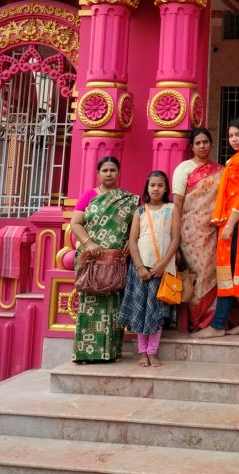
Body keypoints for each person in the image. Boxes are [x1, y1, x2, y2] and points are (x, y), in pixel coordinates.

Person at [196, 118, 239, 338]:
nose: (234, 139)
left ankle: (218, 325)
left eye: (238, 134)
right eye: (231, 136)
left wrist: (230, 226)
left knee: (229, 273)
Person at [70, 156, 138, 363]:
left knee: (112, 304)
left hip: (115, 259)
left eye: (113, 170)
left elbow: (137, 224)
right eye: (105, 170)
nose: (109, 174)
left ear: (118, 172)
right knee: (89, 301)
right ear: (98, 173)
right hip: (91, 259)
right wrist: (89, 243)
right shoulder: (88, 196)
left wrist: (130, 241)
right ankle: (85, 353)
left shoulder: (128, 199)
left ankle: (111, 352)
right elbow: (76, 224)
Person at [118, 170, 180, 367]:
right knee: (140, 310)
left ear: (166, 188)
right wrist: (139, 267)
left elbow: (175, 238)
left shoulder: (171, 209)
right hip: (141, 270)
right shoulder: (140, 211)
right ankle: (142, 352)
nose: (156, 189)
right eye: (152, 185)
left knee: (155, 312)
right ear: (147, 187)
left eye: (160, 185)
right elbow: (133, 240)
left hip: (161, 269)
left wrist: (162, 265)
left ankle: (153, 352)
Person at [172, 128, 224, 331]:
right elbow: (177, 203)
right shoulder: (184, 168)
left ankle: (212, 319)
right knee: (198, 274)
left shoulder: (220, 170)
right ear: (191, 146)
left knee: (212, 274)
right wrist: (174, 235)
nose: (202, 146)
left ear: (211, 144)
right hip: (190, 232)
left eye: (205, 142)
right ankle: (198, 320)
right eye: (198, 143)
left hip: (213, 230)